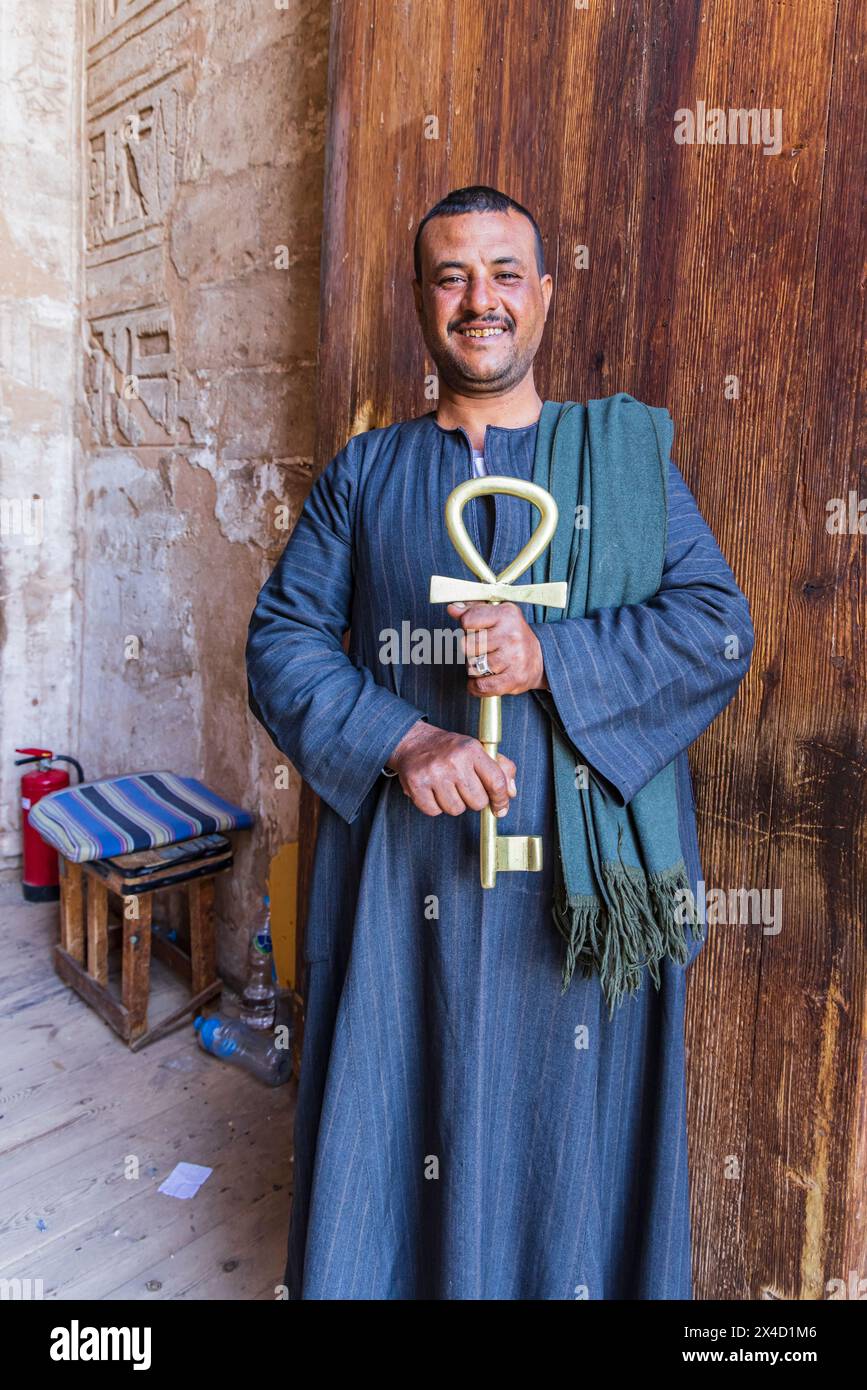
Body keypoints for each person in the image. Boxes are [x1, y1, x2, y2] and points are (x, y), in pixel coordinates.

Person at [245, 184, 754, 1299]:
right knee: (399, 1127)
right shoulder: (367, 474)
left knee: (565, 1163)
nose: (482, 300)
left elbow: (718, 629)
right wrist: (401, 736)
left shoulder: (621, 462)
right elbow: (281, 641)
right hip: (407, 886)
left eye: (505, 272)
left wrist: (550, 657)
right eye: (452, 275)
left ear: (545, 293)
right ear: (421, 301)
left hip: (583, 889)